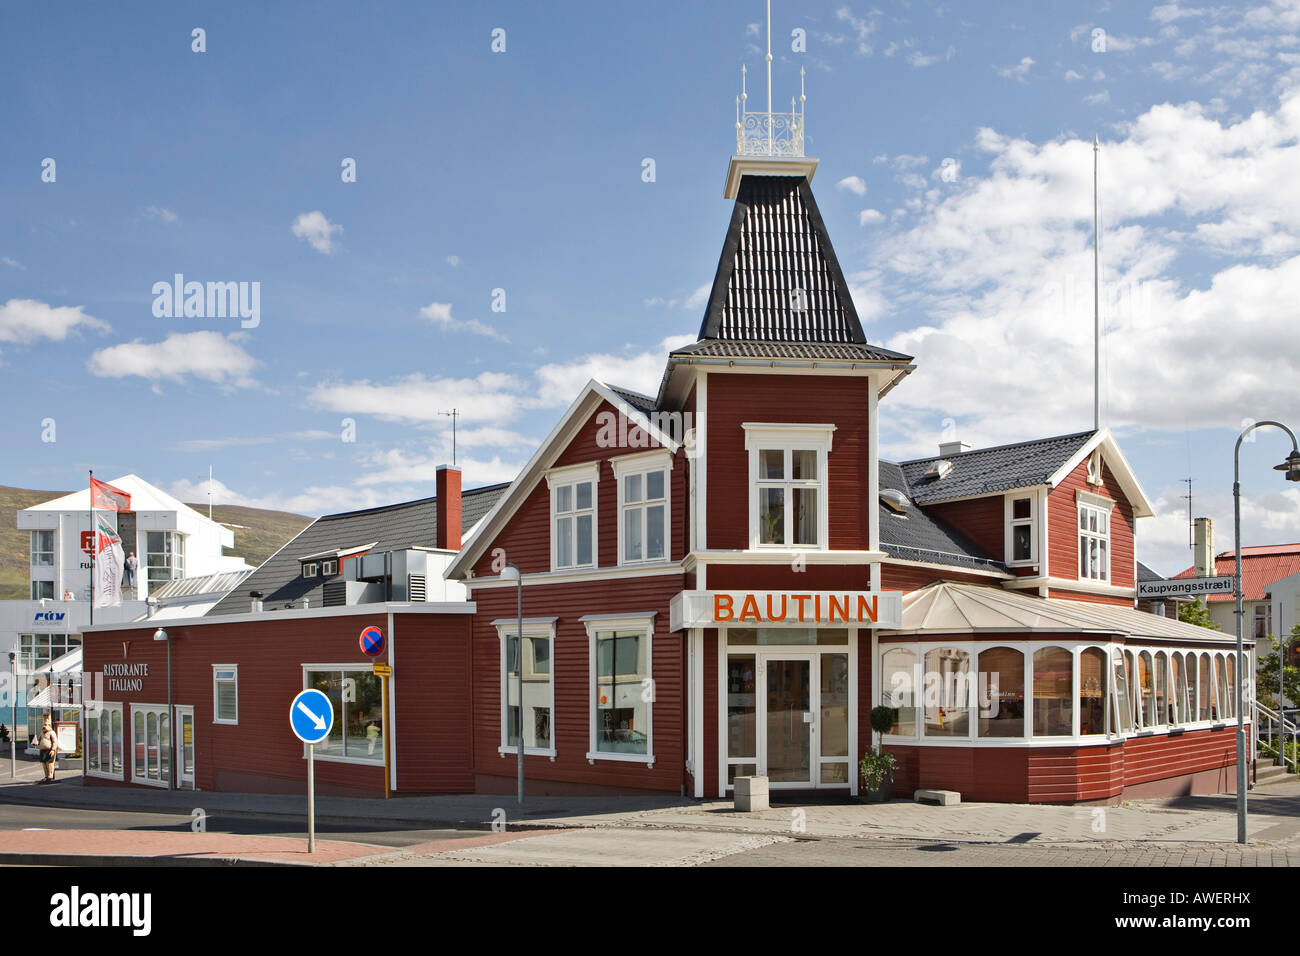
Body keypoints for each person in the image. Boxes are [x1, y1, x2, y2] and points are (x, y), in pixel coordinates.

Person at [37, 716, 58, 784]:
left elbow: (55, 742)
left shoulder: (52, 733)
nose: (44, 726)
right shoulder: (42, 733)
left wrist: (53, 749)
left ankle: (50, 776)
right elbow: (39, 740)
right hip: (43, 750)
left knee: (50, 764)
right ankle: (46, 776)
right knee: (44, 763)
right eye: (44, 724)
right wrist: (36, 743)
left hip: (49, 750)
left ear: (49, 725)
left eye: (45, 725)